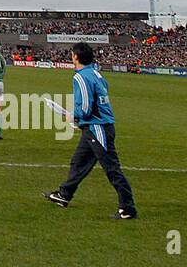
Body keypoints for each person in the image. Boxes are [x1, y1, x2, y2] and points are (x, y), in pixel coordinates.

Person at [43, 43, 138, 220]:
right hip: (96, 126)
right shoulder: (97, 74)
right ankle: (64, 194)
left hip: (97, 127)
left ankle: (128, 208)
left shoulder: (80, 77)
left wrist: (75, 117)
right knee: (78, 162)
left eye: (72, 55)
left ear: (76, 57)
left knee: (112, 168)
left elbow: (86, 106)